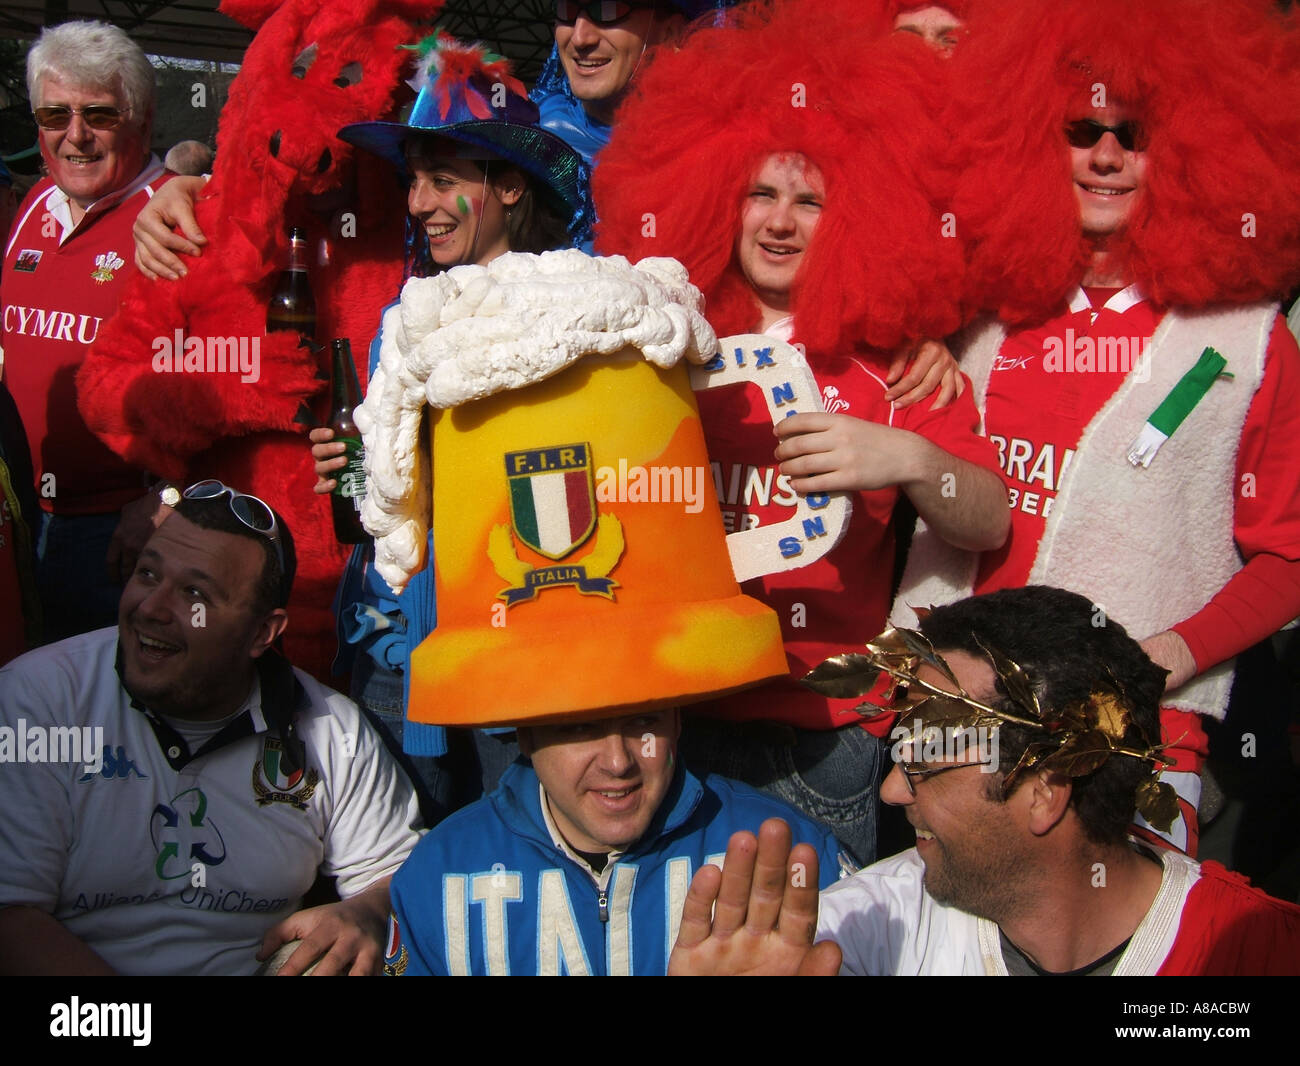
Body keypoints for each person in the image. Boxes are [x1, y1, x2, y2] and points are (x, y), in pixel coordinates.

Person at [593, 4, 1008, 865]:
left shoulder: (901, 368)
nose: (780, 222)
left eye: (810, 200)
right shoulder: (663, 346)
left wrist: (908, 458)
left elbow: (989, 521)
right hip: (671, 721)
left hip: (821, 739)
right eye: (760, 193)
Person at [894, 0, 1300, 857]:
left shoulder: (1248, 339)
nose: (1106, 156)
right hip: (955, 722)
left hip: (1136, 739)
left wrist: (1167, 658)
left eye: (1135, 134)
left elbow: (1289, 553)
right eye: (1083, 129)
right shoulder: (970, 317)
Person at [668, 587, 1300, 976]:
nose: (891, 791)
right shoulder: (864, 930)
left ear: (1046, 788)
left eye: (923, 756)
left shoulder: (1257, 953)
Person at [310, 34, 589, 821]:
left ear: (507, 187)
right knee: (400, 867)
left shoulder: (571, 314)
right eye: (412, 180)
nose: (418, 202)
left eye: (442, 179)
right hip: (395, 652)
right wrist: (357, 468)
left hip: (516, 651)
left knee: (516, 867)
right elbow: (389, 500)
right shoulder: (400, 321)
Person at [0, 482, 422, 976]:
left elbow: (396, 873)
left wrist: (366, 912)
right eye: (147, 573)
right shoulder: (37, 698)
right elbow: (11, 916)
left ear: (263, 633)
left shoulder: (332, 728)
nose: (151, 608)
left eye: (194, 594)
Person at [388, 707, 846, 975]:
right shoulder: (436, 876)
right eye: (579, 726)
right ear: (524, 735)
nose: (617, 761)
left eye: (643, 721)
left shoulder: (790, 854)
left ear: (677, 721)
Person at [1, 21, 171, 642]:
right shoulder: (32, 207)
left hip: (118, 533)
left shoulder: (176, 214)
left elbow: (237, 380)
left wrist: (166, 500)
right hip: (23, 516)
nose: (74, 136)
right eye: (54, 116)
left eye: (98, 115)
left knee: (107, 726)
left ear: (143, 122)